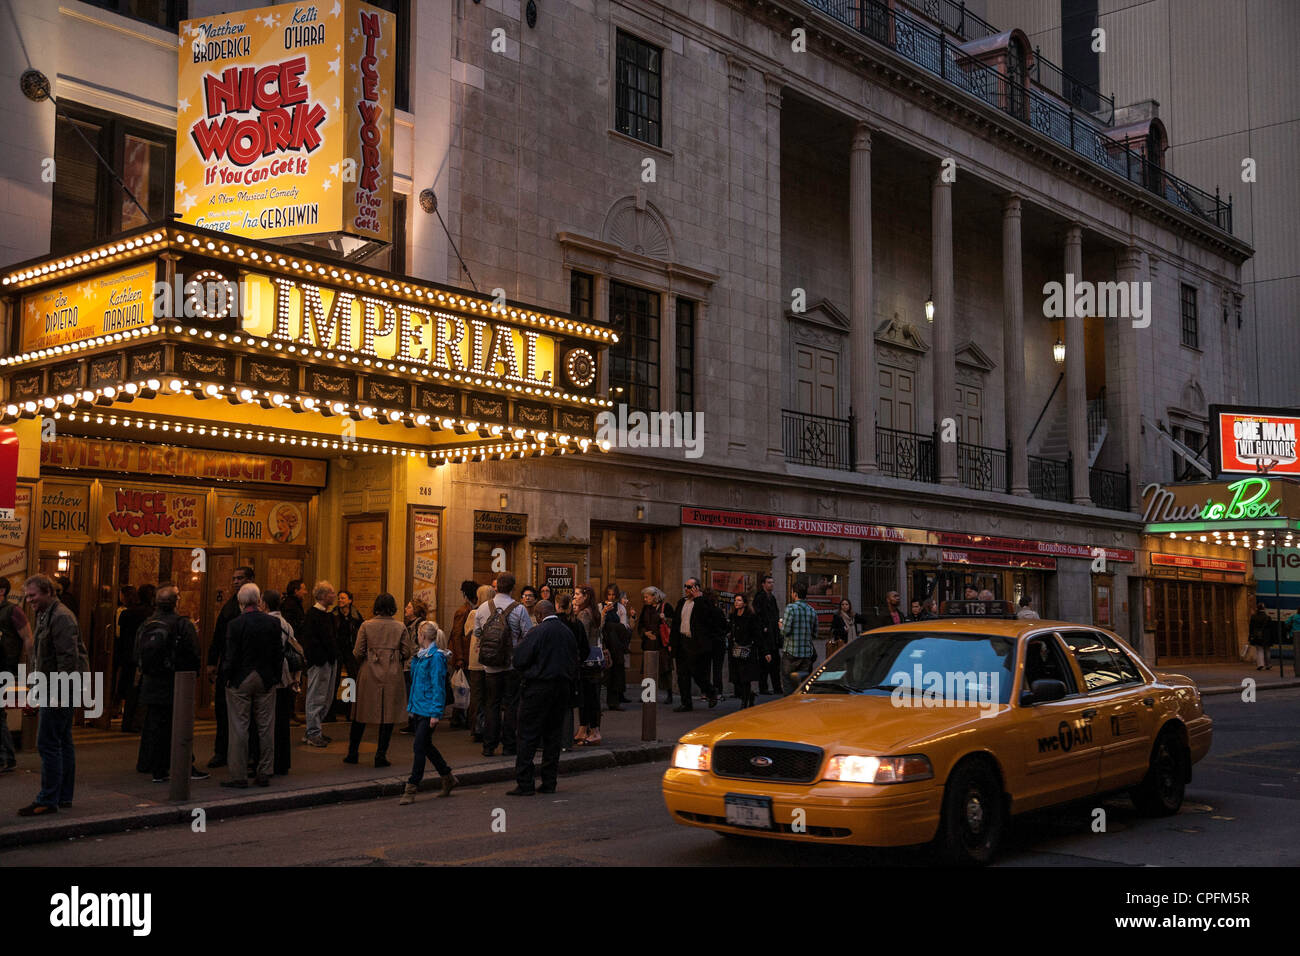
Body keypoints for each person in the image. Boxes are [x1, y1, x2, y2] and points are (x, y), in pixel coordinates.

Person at [17, 574, 87, 816]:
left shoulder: (61, 617)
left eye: (33, 595)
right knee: (62, 741)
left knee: (47, 743)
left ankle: (48, 798)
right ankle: (62, 795)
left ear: (47, 591)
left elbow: (68, 660)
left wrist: (58, 693)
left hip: (59, 689)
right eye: (27, 596)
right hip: (56, 686)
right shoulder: (46, 613)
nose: (29, 600)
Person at [508, 600, 585, 796]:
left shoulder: (537, 632)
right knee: (553, 736)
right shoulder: (567, 632)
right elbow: (578, 657)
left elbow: (520, 659)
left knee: (528, 734)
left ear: (539, 615)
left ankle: (525, 783)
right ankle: (549, 781)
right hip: (562, 688)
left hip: (538, 688)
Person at [135, 585, 208, 784]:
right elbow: (193, 652)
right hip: (176, 682)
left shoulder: (147, 623)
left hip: (151, 682)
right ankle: (184, 765)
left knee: (157, 726)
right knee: (180, 725)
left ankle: (157, 769)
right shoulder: (182, 624)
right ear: (176, 602)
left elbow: (137, 654)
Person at [220, 583, 283, 788]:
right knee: (266, 727)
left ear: (240, 602)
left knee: (239, 727)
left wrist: (226, 677)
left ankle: (238, 775)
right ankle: (264, 771)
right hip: (265, 678)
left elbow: (230, 655)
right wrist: (274, 676)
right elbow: (278, 653)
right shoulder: (273, 623)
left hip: (241, 678)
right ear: (259, 601)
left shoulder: (236, 624)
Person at [345, 593, 414, 767]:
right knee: (388, 714)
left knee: (360, 713)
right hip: (392, 672)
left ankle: (353, 752)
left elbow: (358, 651)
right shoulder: (400, 627)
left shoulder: (366, 625)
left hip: (369, 672)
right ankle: (380, 754)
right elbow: (407, 652)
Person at [474, 573, 533, 758]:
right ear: (513, 588)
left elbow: (477, 632)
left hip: (490, 666)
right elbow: (528, 635)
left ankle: (488, 746)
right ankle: (509, 745)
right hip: (511, 665)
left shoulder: (483, 608)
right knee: (511, 705)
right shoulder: (519, 609)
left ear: (496, 587)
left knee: (492, 703)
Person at [400, 620, 457, 804]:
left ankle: (411, 787)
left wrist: (435, 713)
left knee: (419, 746)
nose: (416, 636)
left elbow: (437, 686)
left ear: (422, 635)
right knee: (426, 746)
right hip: (419, 707)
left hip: (428, 709)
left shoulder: (435, 658)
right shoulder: (421, 656)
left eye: (417, 633)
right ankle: (447, 777)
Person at [206, 566, 254, 768]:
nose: (235, 581)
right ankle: (222, 751)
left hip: (248, 668)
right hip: (228, 665)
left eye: (240, 578)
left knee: (247, 715)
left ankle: (246, 754)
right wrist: (211, 662)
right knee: (223, 711)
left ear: (250, 580)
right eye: (233, 578)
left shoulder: (255, 606)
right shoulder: (229, 607)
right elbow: (218, 636)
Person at [264, 589, 304, 777]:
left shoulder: (267, 623)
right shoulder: (286, 624)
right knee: (282, 721)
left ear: (264, 604)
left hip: (271, 678)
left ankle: (267, 762)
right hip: (285, 676)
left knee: (267, 722)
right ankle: (282, 762)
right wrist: (296, 679)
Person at [670, 577, 722, 711]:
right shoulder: (682, 602)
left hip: (696, 644)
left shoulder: (704, 602)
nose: (686, 589)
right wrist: (672, 643)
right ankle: (686, 703)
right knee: (682, 675)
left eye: (689, 587)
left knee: (697, 673)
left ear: (696, 588)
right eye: (685, 586)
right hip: (682, 642)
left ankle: (711, 692)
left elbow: (710, 617)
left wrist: (699, 599)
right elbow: (676, 624)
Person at [299, 581, 339, 748]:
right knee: (317, 697)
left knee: (325, 698)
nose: (334, 596)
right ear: (323, 596)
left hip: (327, 661)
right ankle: (313, 732)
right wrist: (321, 658)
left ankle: (315, 729)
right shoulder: (313, 615)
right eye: (331, 593)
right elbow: (310, 642)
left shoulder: (325, 615)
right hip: (320, 662)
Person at [0, 577, 33, 773]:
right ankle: (7, 756)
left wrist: (29, 668)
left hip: (5, 667)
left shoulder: (13, 611)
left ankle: (6, 757)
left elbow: (28, 638)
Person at [116, 584, 156, 735]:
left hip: (128, 656)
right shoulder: (152, 614)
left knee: (131, 690)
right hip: (143, 657)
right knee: (140, 691)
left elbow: (121, 637)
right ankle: (137, 722)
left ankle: (127, 721)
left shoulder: (127, 614)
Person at [573, 586, 605, 746]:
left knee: (587, 698)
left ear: (585, 596)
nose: (575, 597)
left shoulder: (584, 614)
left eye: (578, 594)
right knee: (591, 697)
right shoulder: (595, 612)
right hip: (595, 661)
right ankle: (583, 729)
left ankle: (594, 732)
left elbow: (581, 639)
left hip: (586, 662)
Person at [727, 593, 769, 708]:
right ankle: (749, 695)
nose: (736, 602)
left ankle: (745, 701)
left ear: (745, 603)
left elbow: (757, 635)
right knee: (737, 679)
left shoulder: (751, 616)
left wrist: (765, 651)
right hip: (735, 650)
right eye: (735, 600)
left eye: (739, 600)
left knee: (745, 678)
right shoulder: (733, 616)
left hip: (747, 651)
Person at [779, 582, 818, 696]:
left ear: (794, 594)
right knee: (803, 685)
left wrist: (781, 626)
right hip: (806, 654)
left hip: (791, 653)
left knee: (788, 685)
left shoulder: (791, 608)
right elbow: (815, 633)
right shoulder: (812, 610)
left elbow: (785, 631)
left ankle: (790, 708)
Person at [448, 580, 477, 729]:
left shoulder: (465, 610)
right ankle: (458, 718)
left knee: (463, 687)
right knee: (463, 687)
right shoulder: (464, 611)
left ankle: (458, 718)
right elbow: (457, 635)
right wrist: (459, 657)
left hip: (463, 656)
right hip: (464, 655)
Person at [638, 586, 674, 705]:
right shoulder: (646, 608)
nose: (645, 599)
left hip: (661, 643)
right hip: (648, 642)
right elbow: (641, 624)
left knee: (665, 669)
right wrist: (645, 633)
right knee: (647, 670)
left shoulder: (666, 607)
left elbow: (673, 624)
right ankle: (648, 694)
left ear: (655, 596)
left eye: (647, 597)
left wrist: (665, 619)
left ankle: (669, 694)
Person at [466, 583, 493, 742]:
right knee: (491, 696)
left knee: (477, 695)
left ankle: (477, 727)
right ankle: (489, 727)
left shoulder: (474, 613)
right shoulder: (497, 612)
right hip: (492, 659)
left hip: (476, 659)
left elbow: (468, 633)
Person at [332, 589, 364, 721]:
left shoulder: (356, 616)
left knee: (351, 679)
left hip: (350, 651)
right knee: (334, 680)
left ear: (350, 601)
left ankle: (350, 710)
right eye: (339, 598)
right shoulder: (333, 615)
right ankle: (331, 711)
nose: (340, 600)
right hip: (337, 650)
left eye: (343, 598)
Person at [601, 583, 631, 710]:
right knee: (606, 674)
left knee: (617, 672)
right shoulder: (600, 606)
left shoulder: (621, 608)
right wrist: (604, 613)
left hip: (617, 644)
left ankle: (615, 701)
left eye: (613, 594)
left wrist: (612, 627)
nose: (611, 597)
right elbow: (599, 626)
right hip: (605, 643)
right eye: (609, 594)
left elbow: (624, 627)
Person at [753, 574, 782, 696]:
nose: (771, 584)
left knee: (775, 663)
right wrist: (763, 627)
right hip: (764, 636)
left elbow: (775, 614)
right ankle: (763, 687)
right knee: (765, 663)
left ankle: (776, 687)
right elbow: (758, 615)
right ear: (763, 584)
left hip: (773, 634)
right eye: (769, 582)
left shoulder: (772, 597)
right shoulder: (760, 597)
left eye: (772, 582)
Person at [1248, 602, 1273, 671]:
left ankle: (1260, 664)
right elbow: (1271, 629)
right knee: (1267, 650)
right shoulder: (1268, 617)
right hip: (1266, 636)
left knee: (1259, 650)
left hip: (1256, 635)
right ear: (1264, 609)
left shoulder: (1253, 617)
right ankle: (1268, 665)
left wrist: (1250, 636)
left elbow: (1251, 627)